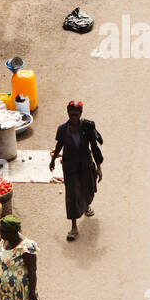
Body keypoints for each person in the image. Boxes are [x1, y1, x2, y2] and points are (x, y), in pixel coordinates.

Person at [50, 101, 103, 241]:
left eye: (77, 114)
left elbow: (95, 147)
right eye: (71, 114)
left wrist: (98, 167)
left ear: (81, 114)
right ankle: (74, 226)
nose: (74, 117)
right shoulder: (62, 129)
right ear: (68, 113)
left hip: (85, 164)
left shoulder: (87, 127)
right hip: (70, 166)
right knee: (72, 194)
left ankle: (86, 205)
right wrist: (53, 159)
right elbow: (59, 144)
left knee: (87, 187)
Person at [0, 215, 37, 300]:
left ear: (12, 233)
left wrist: (32, 293)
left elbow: (32, 272)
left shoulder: (26, 248)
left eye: (3, 231)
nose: (0, 233)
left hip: (17, 293)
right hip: (1, 289)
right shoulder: (4, 240)